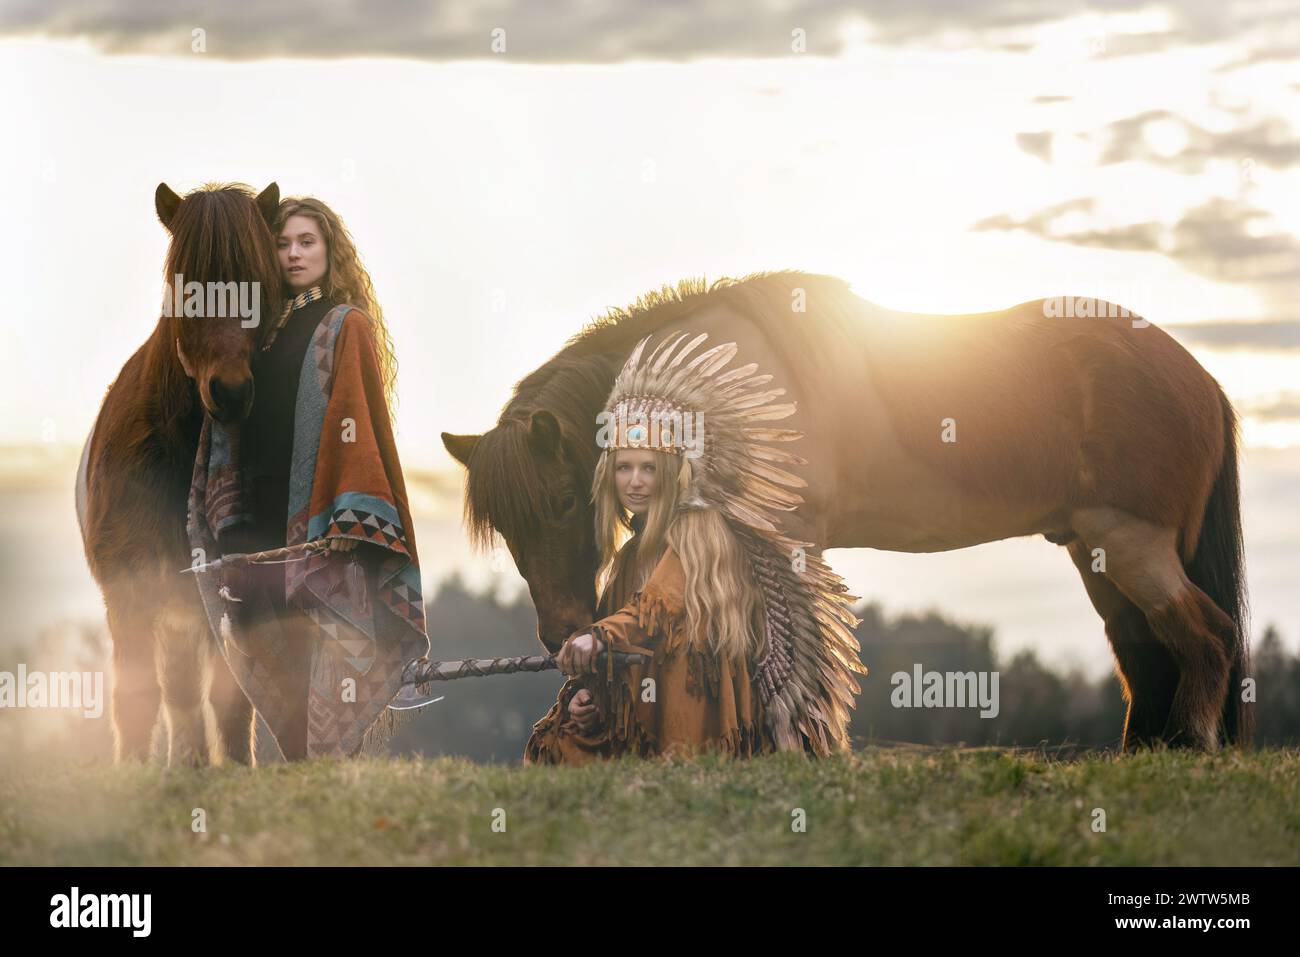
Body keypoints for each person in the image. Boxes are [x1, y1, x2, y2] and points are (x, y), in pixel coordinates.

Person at [523, 332, 866, 764]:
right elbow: (616, 650)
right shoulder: (628, 559)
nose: (635, 481)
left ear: (671, 472)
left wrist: (599, 637)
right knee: (563, 744)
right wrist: (585, 694)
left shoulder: (701, 530)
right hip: (649, 717)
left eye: (649, 468)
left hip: (702, 712)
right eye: (624, 468)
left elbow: (659, 606)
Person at [187, 196, 428, 761]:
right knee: (273, 661)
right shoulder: (260, 334)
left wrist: (349, 520)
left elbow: (360, 429)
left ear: (328, 251)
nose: (293, 254)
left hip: (323, 531)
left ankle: (327, 785)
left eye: (306, 242)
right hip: (259, 530)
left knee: (324, 663)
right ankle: (302, 779)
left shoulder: (346, 325)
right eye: (282, 244)